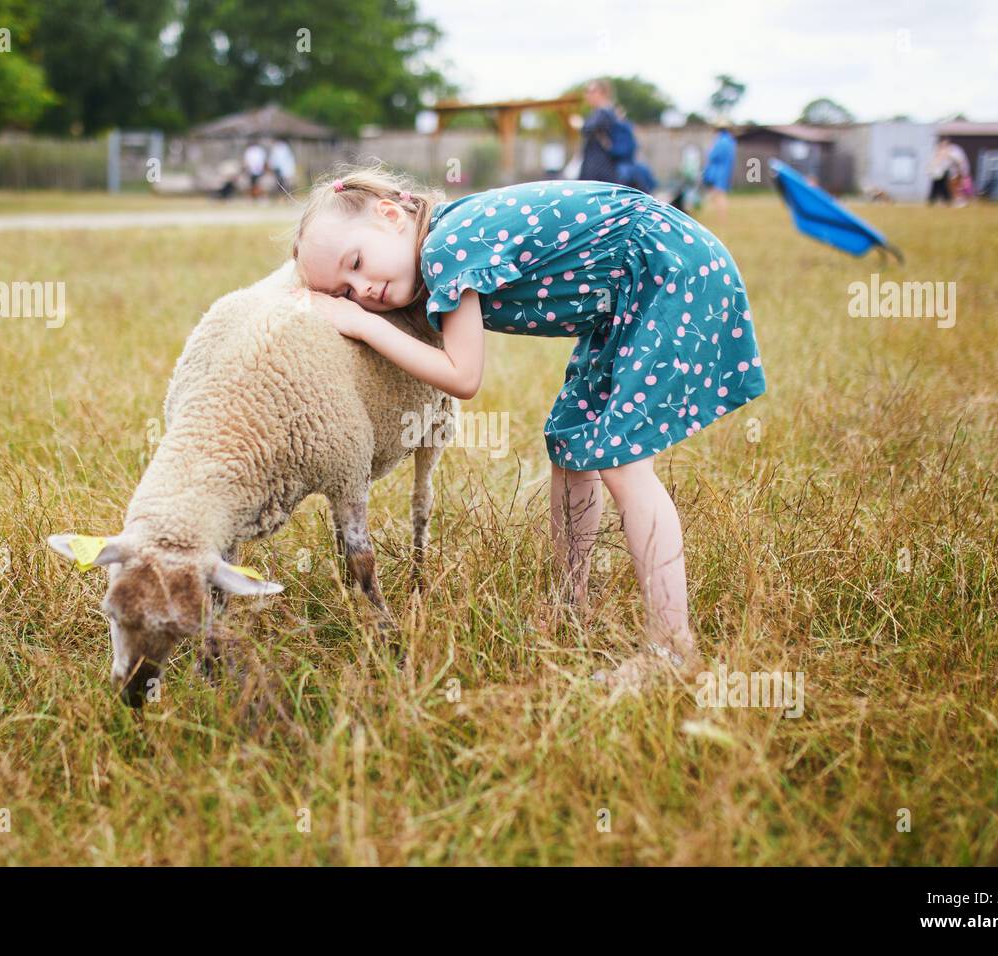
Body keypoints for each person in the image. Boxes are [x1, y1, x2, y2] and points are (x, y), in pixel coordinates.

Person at [291, 164, 767, 692]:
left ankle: (671, 648)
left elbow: (462, 376)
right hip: (625, 296)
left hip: (666, 270)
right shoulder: (440, 241)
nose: (364, 289)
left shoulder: (446, 247)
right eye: (347, 293)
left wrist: (360, 324)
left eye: (356, 263)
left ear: (391, 216)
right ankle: (571, 606)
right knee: (572, 444)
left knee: (623, 463)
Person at [578, 78, 622, 184]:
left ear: (603, 92)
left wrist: (579, 124)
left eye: (591, 91)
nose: (587, 95)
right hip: (603, 168)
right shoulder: (607, 112)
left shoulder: (603, 112)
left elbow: (588, 128)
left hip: (600, 169)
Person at [701, 124, 736, 217]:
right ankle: (719, 215)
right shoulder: (730, 141)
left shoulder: (721, 141)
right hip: (724, 171)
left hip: (717, 172)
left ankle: (721, 215)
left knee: (719, 194)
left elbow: (713, 155)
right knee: (717, 194)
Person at [927, 139, 954, 206]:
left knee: (944, 187)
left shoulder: (947, 152)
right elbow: (934, 162)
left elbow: (949, 162)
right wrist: (930, 168)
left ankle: (946, 200)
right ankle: (933, 200)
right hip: (937, 172)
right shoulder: (938, 152)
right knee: (936, 187)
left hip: (944, 171)